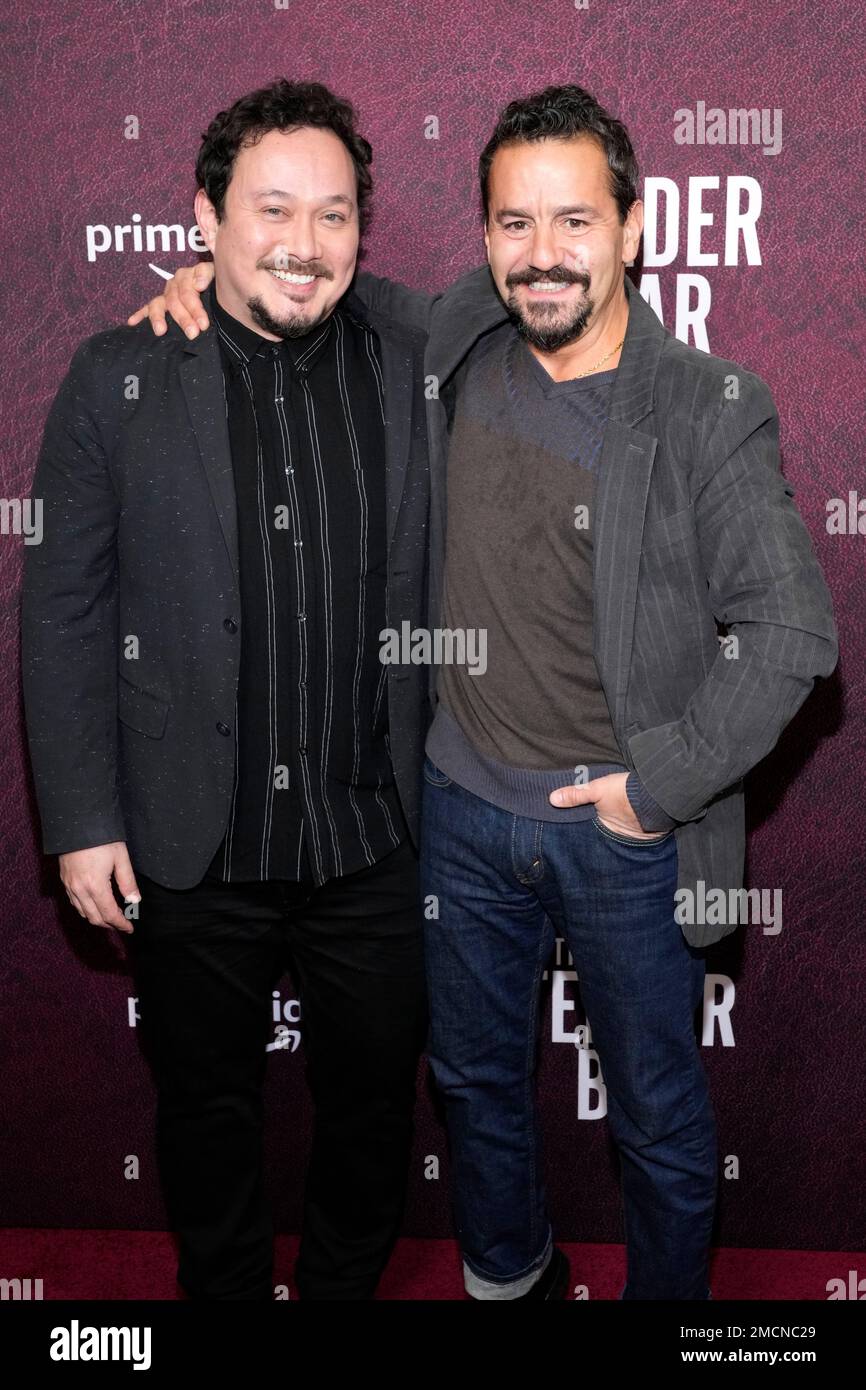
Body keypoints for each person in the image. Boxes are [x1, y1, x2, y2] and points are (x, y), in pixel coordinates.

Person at [130, 85, 838, 1302]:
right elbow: (305, 287)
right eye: (512, 224)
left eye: (573, 222)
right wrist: (211, 282)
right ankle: (507, 1278)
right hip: (455, 812)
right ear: (483, 239)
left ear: (631, 226)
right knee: (467, 1085)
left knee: (660, 1118)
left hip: (620, 836)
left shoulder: (708, 408)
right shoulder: (456, 332)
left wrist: (653, 790)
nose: (542, 254)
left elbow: (794, 631)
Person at [21, 79, 431, 1301]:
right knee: (204, 1115)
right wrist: (82, 818)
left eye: (334, 214)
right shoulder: (117, 376)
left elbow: (521, 301)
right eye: (270, 209)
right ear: (203, 216)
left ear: (364, 231)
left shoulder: (418, 356)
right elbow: (64, 604)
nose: (302, 243)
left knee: (371, 1115)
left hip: (374, 833)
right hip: (189, 831)